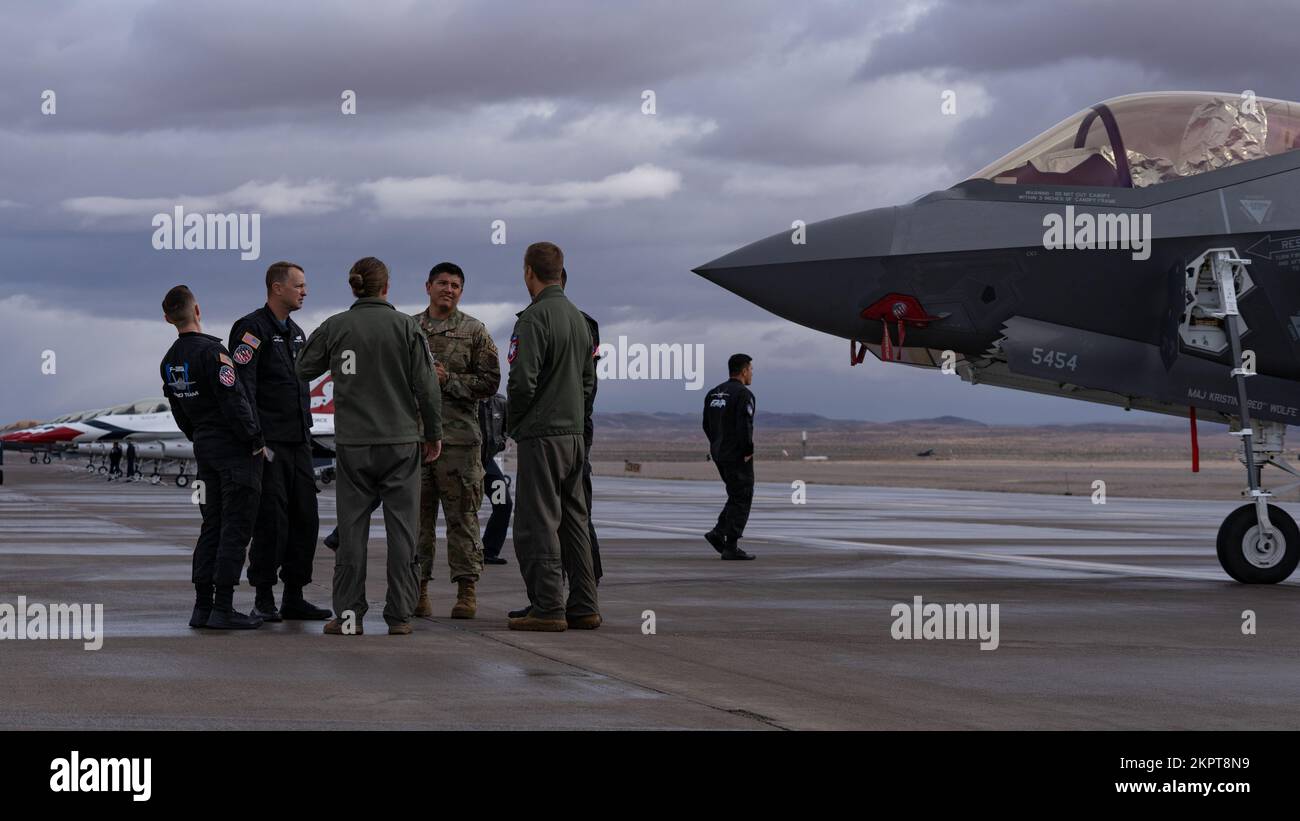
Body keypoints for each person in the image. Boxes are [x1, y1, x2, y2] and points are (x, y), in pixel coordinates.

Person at [297, 257, 442, 636]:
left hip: (353, 444)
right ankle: (400, 617)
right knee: (403, 532)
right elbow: (427, 387)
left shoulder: (336, 326)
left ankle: (348, 616)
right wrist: (434, 434)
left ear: (354, 287)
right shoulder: (407, 327)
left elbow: (302, 369)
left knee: (352, 532)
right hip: (400, 443)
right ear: (386, 287)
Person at [229, 261, 331, 623]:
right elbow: (242, 387)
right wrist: (254, 436)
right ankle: (263, 597)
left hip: (299, 441)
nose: (305, 292)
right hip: (268, 442)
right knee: (272, 520)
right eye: (299, 286)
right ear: (277, 288)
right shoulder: (251, 329)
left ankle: (294, 595)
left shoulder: (299, 334)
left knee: (306, 517)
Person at [159, 285, 266, 629]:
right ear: (198, 311)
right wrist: (254, 439)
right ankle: (223, 608)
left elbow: (178, 410)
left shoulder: (169, 361)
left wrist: (199, 436)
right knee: (235, 527)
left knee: (212, 525)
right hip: (234, 450)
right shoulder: (214, 353)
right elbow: (234, 400)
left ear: (168, 318)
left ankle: (202, 607)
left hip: (204, 450)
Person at [505, 242, 599, 632]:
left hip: (542, 435)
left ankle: (547, 606)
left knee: (537, 521)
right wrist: (576, 418)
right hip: (574, 434)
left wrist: (516, 423)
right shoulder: (579, 319)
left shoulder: (533, 319)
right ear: (561, 272)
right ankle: (584, 604)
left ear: (529, 272)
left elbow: (522, 382)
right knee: (574, 519)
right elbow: (588, 382)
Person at [412, 262, 500, 620]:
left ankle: (466, 591)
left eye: (456, 286)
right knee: (417, 520)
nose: (449, 290)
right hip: (416, 441)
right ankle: (417, 589)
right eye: (443, 283)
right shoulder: (409, 329)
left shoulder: (474, 331)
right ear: (428, 286)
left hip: (460, 442)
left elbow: (490, 382)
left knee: (463, 518)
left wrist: (448, 381)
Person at [702, 353, 758, 560]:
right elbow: (745, 426)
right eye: (751, 369)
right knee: (743, 496)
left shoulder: (714, 393)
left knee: (736, 495)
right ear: (743, 371)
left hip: (720, 453)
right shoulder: (743, 395)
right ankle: (730, 544)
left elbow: (706, 425)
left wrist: (717, 445)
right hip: (737, 455)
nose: (752, 374)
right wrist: (747, 451)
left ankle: (718, 533)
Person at [479, 394, 511, 565]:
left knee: (503, 503)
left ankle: (490, 551)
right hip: (463, 461)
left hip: (487, 463)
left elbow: (508, 428)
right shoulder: (463, 398)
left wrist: (500, 442)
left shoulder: (500, 403)